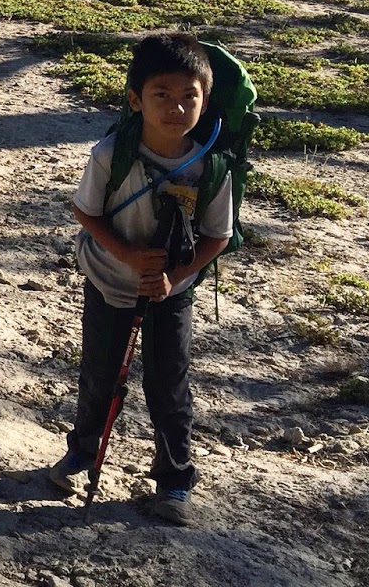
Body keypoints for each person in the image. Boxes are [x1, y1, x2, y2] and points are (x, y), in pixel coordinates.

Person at [49, 32, 234, 526]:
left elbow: (218, 236)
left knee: (169, 385)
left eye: (188, 97)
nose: (176, 108)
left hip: (172, 295)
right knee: (99, 374)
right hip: (109, 281)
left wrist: (173, 277)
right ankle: (81, 454)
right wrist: (130, 255)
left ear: (205, 99)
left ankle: (175, 481)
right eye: (162, 96)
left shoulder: (213, 166)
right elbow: (86, 213)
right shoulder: (112, 154)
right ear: (135, 99)